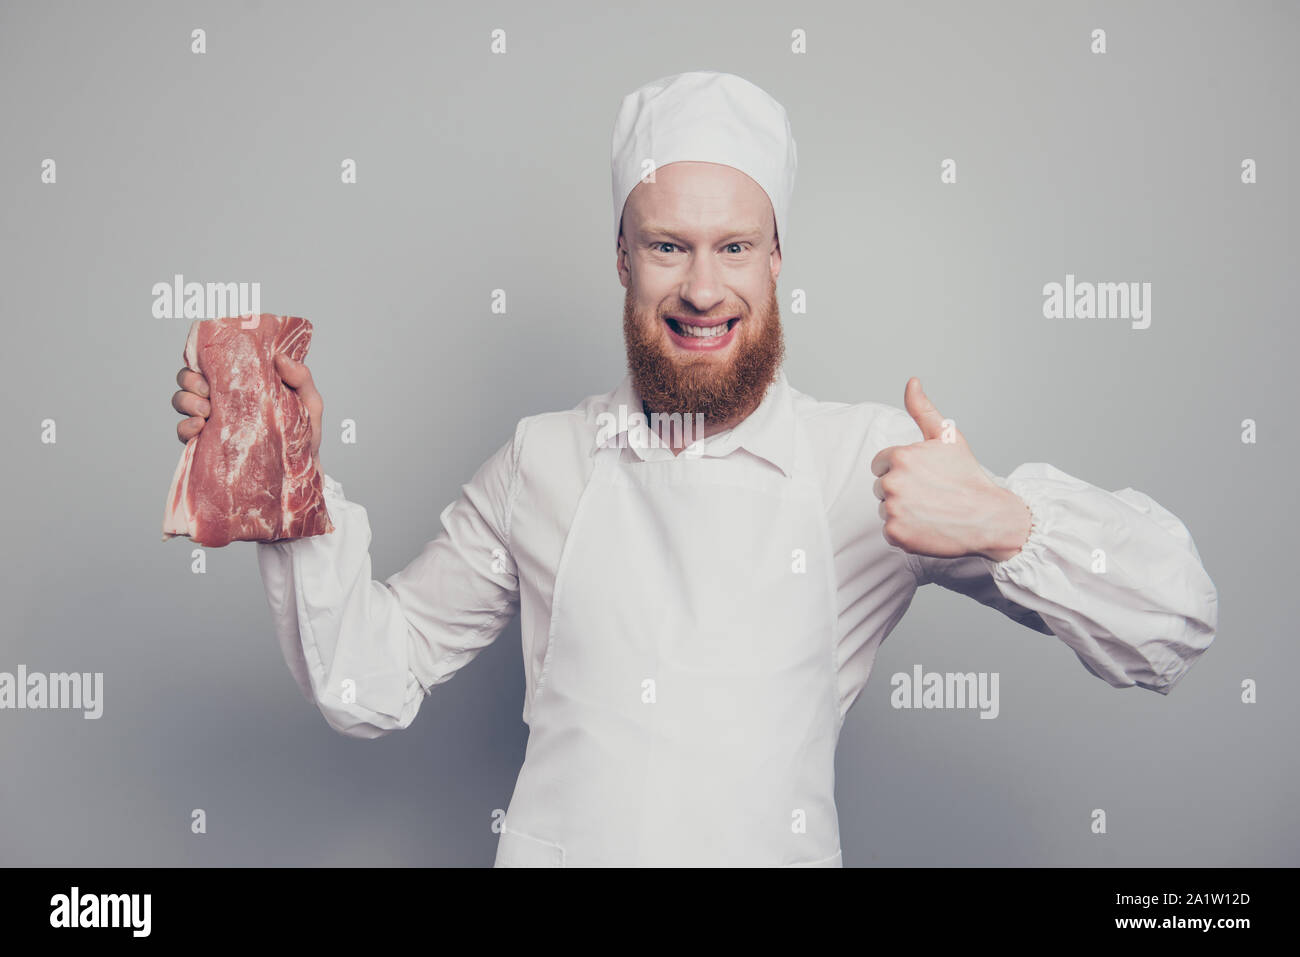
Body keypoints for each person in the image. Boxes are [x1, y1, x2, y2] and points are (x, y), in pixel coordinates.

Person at [169, 71, 1218, 867]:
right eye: (668, 246)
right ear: (622, 258)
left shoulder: (865, 465)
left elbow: (1173, 625)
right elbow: (370, 681)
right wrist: (282, 480)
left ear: (776, 260)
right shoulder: (541, 461)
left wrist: (1013, 524)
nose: (701, 287)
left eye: (734, 247)